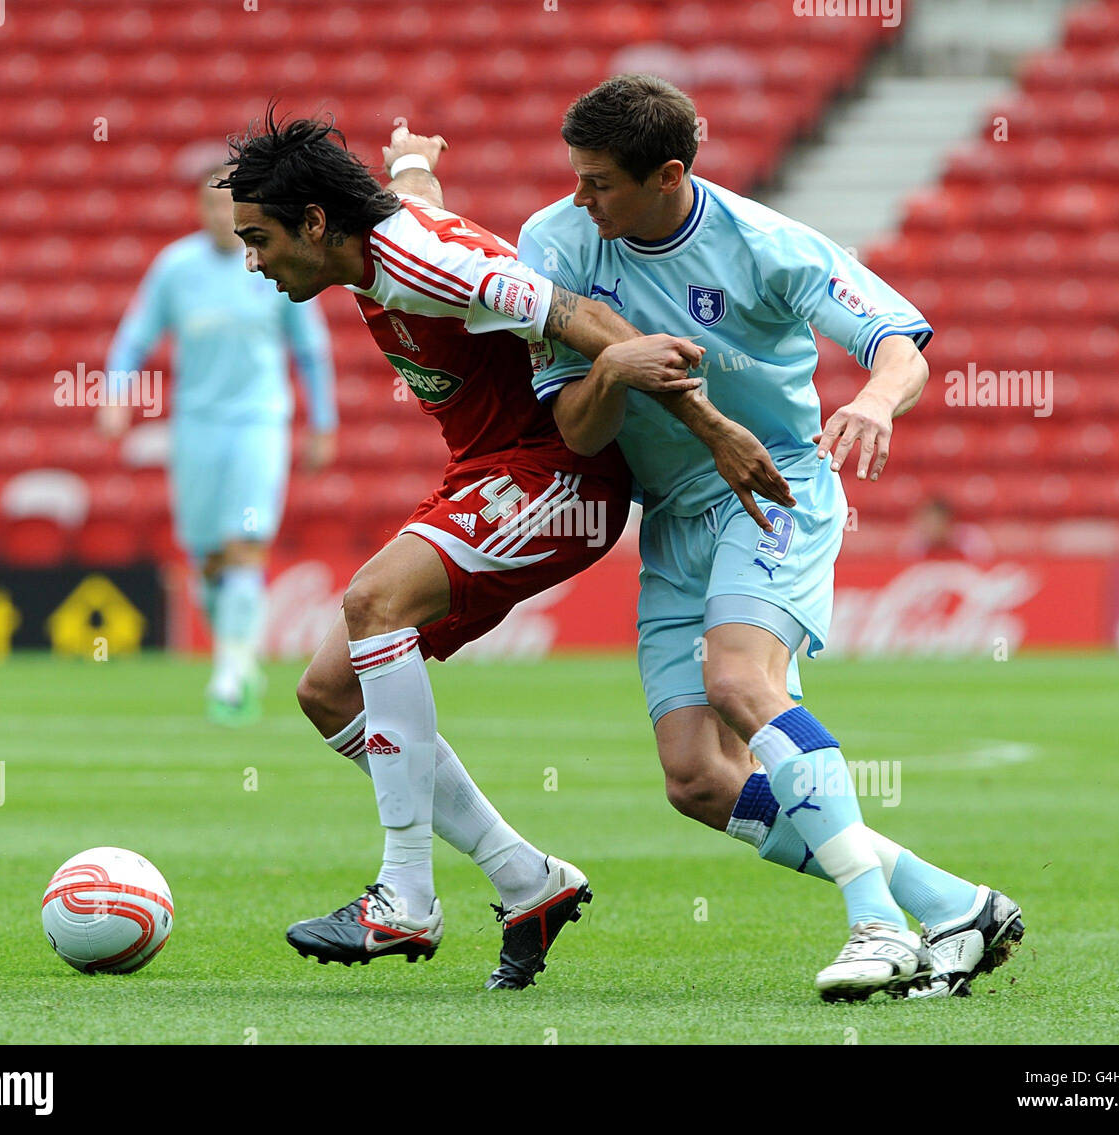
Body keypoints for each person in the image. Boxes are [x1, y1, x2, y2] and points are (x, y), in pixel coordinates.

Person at [216, 110, 778, 989]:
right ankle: (529, 879)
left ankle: (404, 898)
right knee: (329, 691)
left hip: (562, 475)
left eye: (259, 238)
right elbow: (410, 196)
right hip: (484, 472)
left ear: (315, 224)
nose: (253, 259)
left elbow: (576, 312)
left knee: (373, 602)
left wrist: (712, 428)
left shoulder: (422, 262)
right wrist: (412, 158)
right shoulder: (378, 235)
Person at [494, 74, 1022, 1000]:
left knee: (741, 681)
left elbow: (900, 344)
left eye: (599, 182)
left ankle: (878, 924)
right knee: (699, 778)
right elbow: (577, 428)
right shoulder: (555, 242)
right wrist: (614, 364)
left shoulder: (767, 244)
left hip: (774, 487)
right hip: (670, 517)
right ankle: (956, 905)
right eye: (574, 176)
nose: (579, 197)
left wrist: (870, 398)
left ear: (667, 175)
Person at [99, 150, 337, 725]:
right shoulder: (176, 269)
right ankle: (239, 657)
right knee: (207, 557)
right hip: (196, 429)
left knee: (244, 543)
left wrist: (322, 421)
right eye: (208, 203)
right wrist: (114, 392)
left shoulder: (273, 261)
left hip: (259, 424)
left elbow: (310, 348)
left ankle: (229, 675)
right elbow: (135, 336)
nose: (217, 214)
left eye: (226, 204)